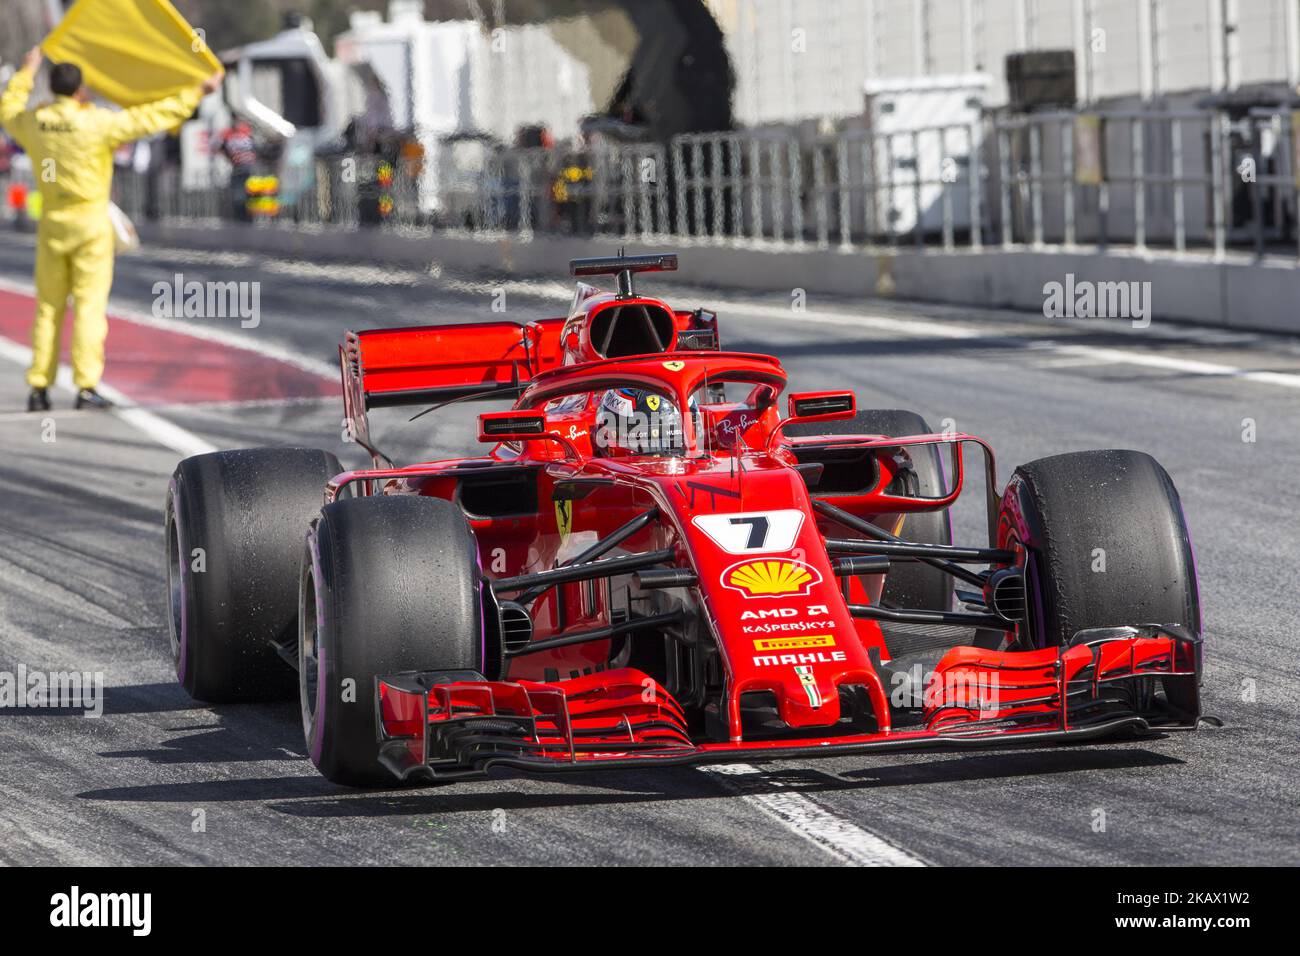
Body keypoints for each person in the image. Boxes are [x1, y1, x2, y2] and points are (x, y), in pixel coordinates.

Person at [0, 47, 222, 411]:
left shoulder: (34, 122)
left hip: (53, 225)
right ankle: (86, 387)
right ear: (80, 91)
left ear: (52, 88)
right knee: (89, 307)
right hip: (90, 224)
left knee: (48, 309)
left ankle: (39, 387)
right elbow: (150, 117)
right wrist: (197, 92)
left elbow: (8, 108)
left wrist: (26, 70)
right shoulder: (97, 122)